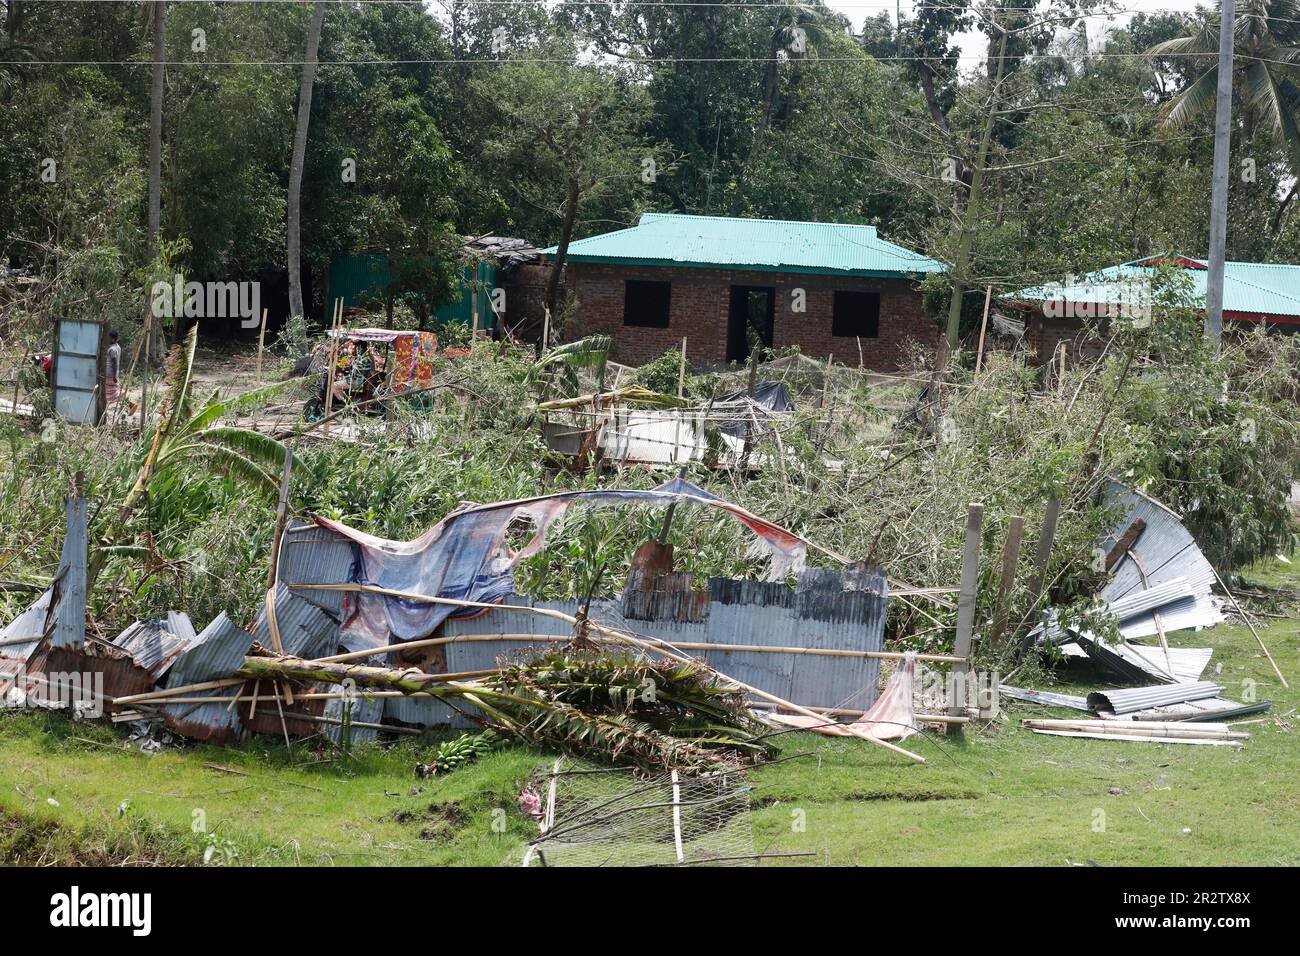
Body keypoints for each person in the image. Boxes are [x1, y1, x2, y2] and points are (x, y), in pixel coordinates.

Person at [104, 330, 121, 404]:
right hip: (113, 373)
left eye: (108, 338)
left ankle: (126, 404)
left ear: (112, 339)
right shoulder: (117, 347)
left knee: (114, 392)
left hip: (110, 374)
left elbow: (114, 363)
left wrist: (114, 376)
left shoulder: (112, 349)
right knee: (114, 391)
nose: (107, 339)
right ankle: (126, 404)